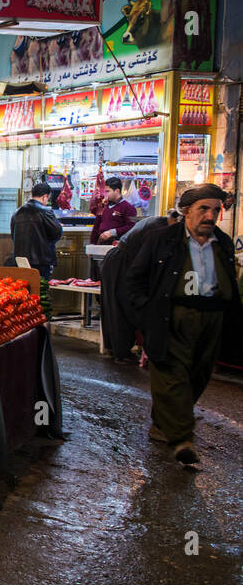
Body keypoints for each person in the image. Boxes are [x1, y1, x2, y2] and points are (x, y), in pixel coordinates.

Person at [122, 184, 240, 469]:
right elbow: (134, 281)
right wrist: (145, 315)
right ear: (187, 211)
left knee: (197, 374)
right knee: (172, 374)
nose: (210, 215)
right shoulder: (161, 240)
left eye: (216, 209)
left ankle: (162, 424)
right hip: (172, 316)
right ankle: (182, 439)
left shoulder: (222, 242)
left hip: (211, 317)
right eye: (204, 209)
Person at [100, 207, 181, 359]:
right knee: (121, 305)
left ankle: (117, 348)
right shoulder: (158, 227)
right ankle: (120, 351)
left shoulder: (158, 222)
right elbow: (150, 257)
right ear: (175, 221)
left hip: (119, 260)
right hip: (120, 262)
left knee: (118, 303)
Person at [10, 182, 63, 282]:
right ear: (45, 197)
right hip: (41, 261)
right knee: (40, 290)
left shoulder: (17, 213)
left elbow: (13, 235)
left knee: (24, 289)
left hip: (20, 261)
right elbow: (57, 233)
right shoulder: (45, 211)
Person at [89, 176, 136, 246]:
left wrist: (113, 232)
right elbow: (96, 227)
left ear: (117, 191)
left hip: (118, 246)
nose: (105, 194)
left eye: (108, 191)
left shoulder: (128, 207)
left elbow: (131, 227)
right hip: (101, 244)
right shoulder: (103, 206)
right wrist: (92, 244)